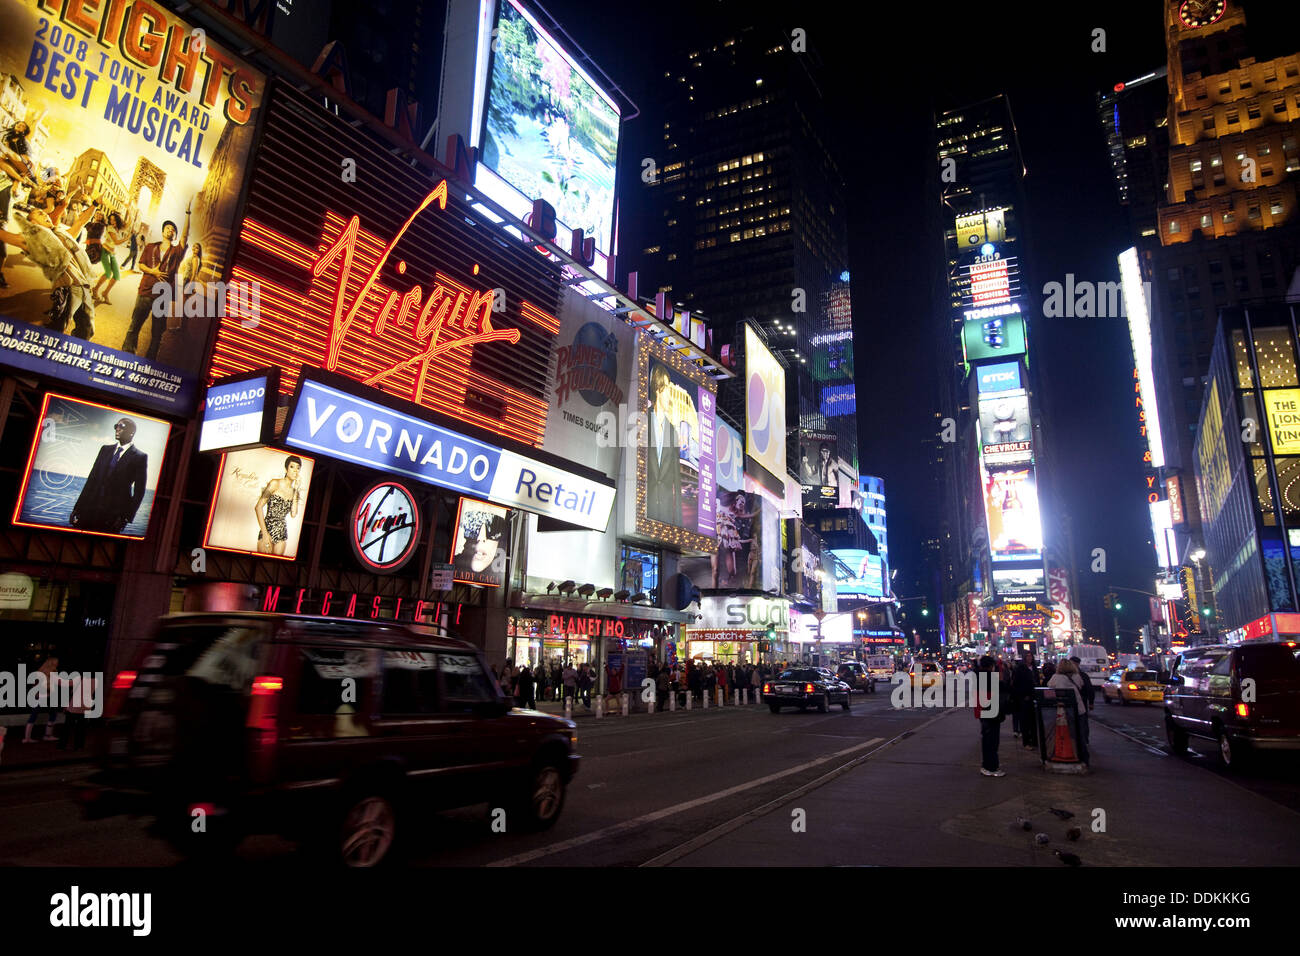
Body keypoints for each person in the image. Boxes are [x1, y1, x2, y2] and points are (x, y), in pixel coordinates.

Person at [122, 204, 191, 360]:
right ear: (162, 232)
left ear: (175, 236)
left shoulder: (177, 251)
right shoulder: (151, 247)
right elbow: (140, 264)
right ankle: (126, 356)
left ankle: (150, 361)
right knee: (134, 326)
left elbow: (185, 236)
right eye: (167, 228)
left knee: (157, 333)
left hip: (163, 296)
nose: (170, 230)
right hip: (146, 291)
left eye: (173, 230)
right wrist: (153, 271)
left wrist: (188, 212)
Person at [70, 417, 148, 535]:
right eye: (116, 426)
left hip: (113, 516)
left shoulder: (140, 457)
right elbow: (91, 481)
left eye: (121, 427)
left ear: (131, 432)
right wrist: (77, 508)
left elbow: (139, 492)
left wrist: (125, 518)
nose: (117, 429)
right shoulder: (105, 450)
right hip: (89, 510)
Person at [645, 363, 682, 526]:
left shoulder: (673, 432)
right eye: (666, 388)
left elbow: (677, 482)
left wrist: (679, 523)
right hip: (644, 510)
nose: (670, 395)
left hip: (665, 517)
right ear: (658, 389)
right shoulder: (642, 421)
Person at [255, 455, 303, 556]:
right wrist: (265, 534)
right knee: (261, 562)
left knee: (275, 564)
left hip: (282, 532)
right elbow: (258, 507)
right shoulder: (274, 483)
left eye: (298, 468)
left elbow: (293, 514)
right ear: (286, 469)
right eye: (292, 467)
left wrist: (296, 489)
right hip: (267, 528)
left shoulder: (295, 492)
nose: (295, 470)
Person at [1049, 659, 1089, 766]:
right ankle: (1084, 758)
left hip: (1063, 710)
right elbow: (1081, 686)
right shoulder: (1077, 676)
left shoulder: (1055, 678)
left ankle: (1065, 754)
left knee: (1065, 734)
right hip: (1079, 709)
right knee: (1080, 735)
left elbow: (1050, 687)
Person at [974, 655, 1004, 776]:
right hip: (991, 712)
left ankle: (988, 765)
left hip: (984, 712)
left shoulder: (978, 676)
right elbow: (1002, 689)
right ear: (991, 666)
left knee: (987, 740)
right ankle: (991, 767)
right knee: (992, 741)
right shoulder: (989, 678)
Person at [23, 653, 62, 743]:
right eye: (56, 662)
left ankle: (27, 738)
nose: (57, 664)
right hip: (46, 697)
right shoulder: (53, 672)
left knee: (35, 715)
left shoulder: (40, 671)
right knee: (52, 714)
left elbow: (35, 685)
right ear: (52, 663)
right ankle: (47, 736)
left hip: (40, 697)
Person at [92, 211, 129, 305]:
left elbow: (127, 225)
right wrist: (126, 238)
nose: (112, 222)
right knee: (108, 273)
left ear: (118, 220)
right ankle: (95, 289)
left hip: (112, 253)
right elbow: (116, 242)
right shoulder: (110, 228)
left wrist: (130, 216)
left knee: (116, 275)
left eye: (114, 220)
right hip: (105, 251)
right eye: (111, 220)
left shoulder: (117, 228)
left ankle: (105, 293)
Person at [1011, 653, 1040, 750]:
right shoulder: (1020, 669)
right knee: (1025, 721)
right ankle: (1026, 741)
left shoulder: (1034, 668)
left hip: (1034, 696)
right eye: (1027, 656)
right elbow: (1016, 684)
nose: (1029, 658)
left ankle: (1034, 741)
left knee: (1033, 721)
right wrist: (1023, 695)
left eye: (1031, 656)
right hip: (1024, 698)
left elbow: (1037, 681)